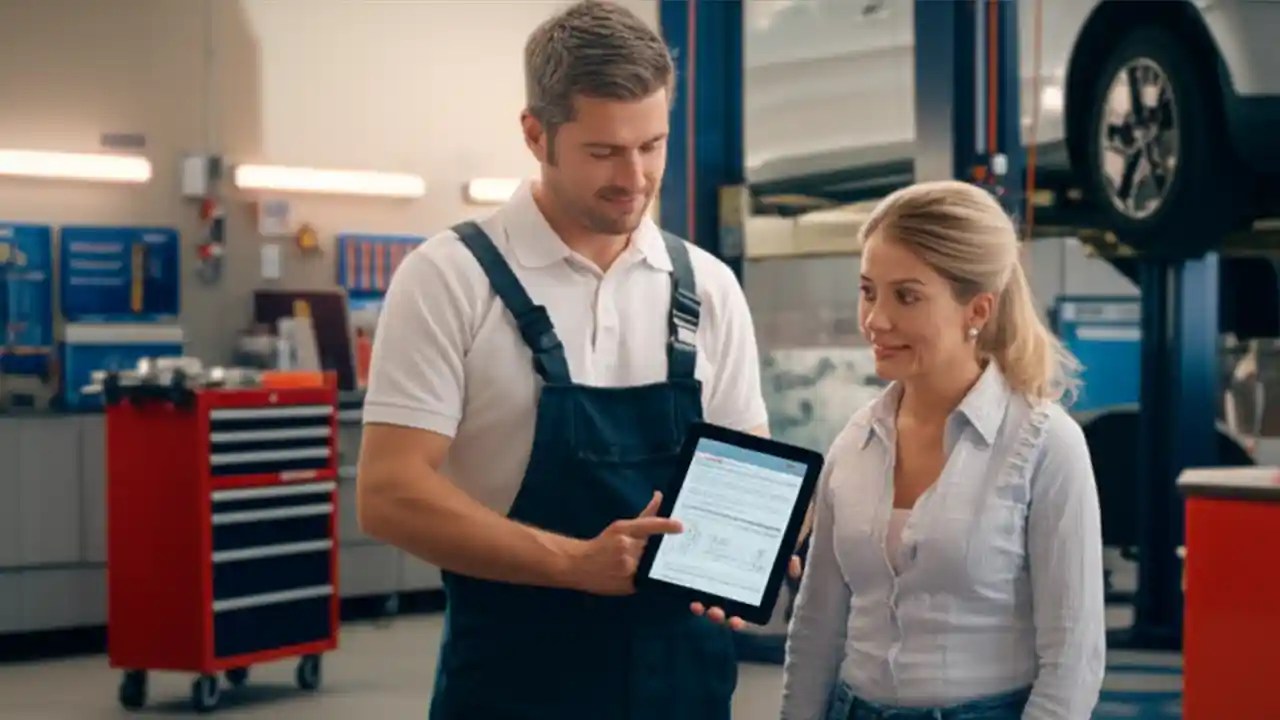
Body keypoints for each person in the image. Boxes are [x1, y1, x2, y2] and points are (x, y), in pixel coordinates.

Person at [355, 2, 770, 718]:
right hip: (515, 681)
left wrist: (762, 538)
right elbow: (388, 493)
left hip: (685, 685)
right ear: (534, 133)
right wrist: (575, 564)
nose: (635, 177)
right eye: (605, 152)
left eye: (653, 145)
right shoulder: (450, 277)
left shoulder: (706, 286)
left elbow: (743, 464)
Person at [781, 181, 1107, 720]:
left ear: (976, 309)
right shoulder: (855, 442)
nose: (876, 320)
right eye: (868, 291)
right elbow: (816, 629)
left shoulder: (1045, 444)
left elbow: (1073, 659)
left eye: (906, 296)